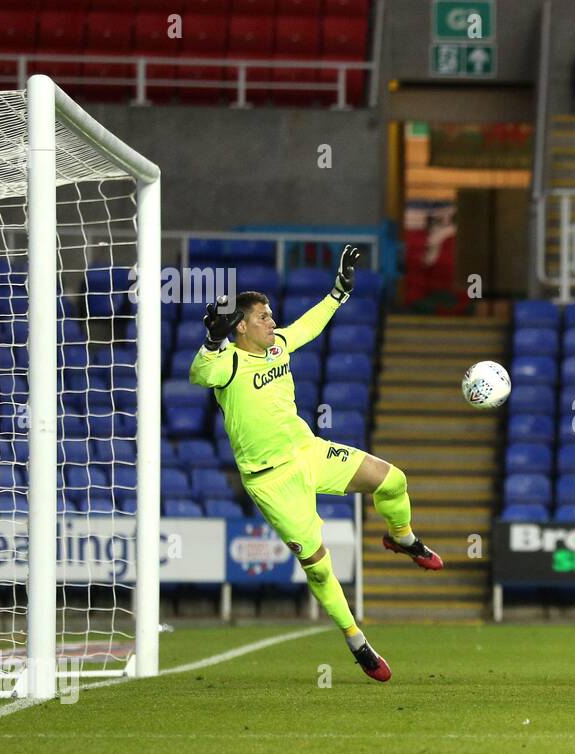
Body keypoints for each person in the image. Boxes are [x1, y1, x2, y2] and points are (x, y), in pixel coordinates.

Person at [189, 246, 442, 683]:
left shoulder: (278, 347)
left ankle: (403, 538)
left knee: (392, 480)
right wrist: (212, 338)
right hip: (271, 480)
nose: (272, 321)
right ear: (242, 325)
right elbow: (198, 373)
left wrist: (339, 291)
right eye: (264, 316)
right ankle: (357, 642)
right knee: (320, 565)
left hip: (308, 451)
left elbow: (308, 325)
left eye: (271, 315)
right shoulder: (226, 361)